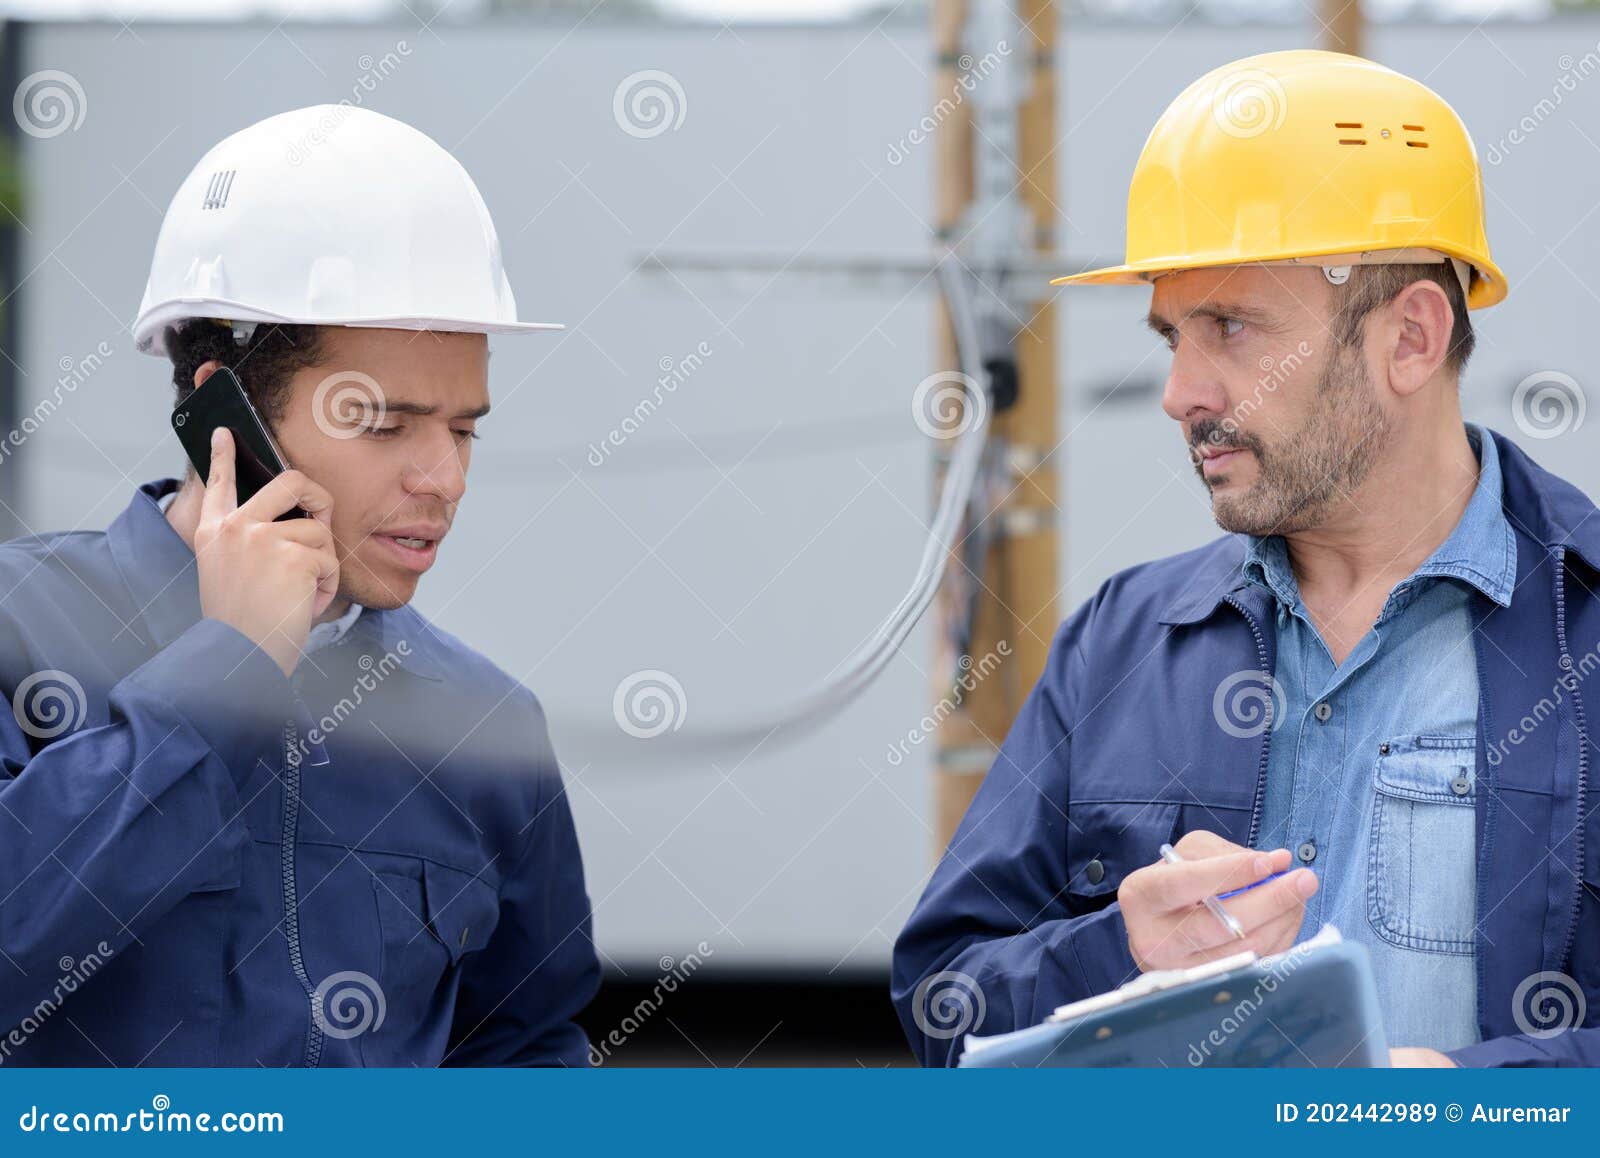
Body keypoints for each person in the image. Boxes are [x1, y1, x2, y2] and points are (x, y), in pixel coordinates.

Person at [893, 50, 1599, 1067]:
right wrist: (1116, 951)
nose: (1181, 391)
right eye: (1172, 332)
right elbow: (939, 1000)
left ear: (1408, 337)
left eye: (1229, 326)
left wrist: (1470, 1099)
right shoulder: (1124, 641)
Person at [0, 106, 599, 1066]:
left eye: (464, 428)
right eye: (386, 423)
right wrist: (227, 673)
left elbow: (524, 1051)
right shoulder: (19, 631)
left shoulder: (486, 727)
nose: (442, 479)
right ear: (217, 413)